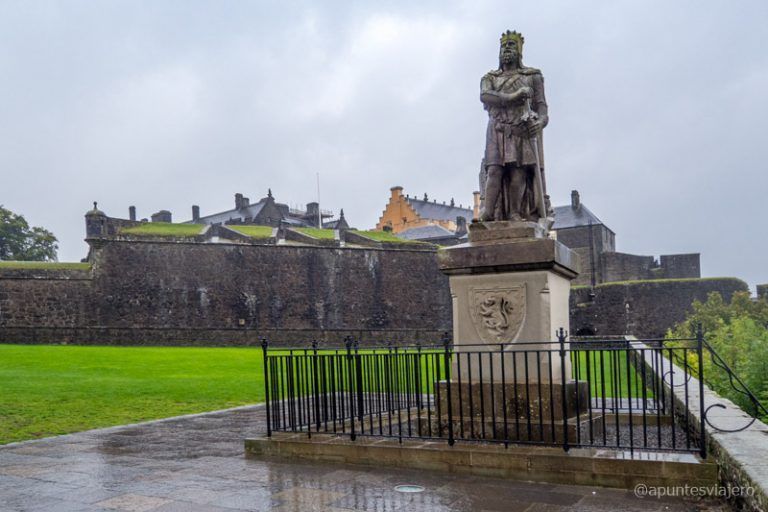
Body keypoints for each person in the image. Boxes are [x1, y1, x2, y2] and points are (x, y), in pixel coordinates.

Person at [479, 30, 550, 222]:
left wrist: (540, 122)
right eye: (504, 46)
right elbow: (485, 96)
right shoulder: (490, 78)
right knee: (494, 170)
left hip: (521, 129)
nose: (506, 49)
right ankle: (487, 211)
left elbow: (542, 107)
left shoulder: (532, 76)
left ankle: (515, 212)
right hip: (497, 129)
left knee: (517, 172)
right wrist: (513, 96)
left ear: (519, 50)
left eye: (511, 45)